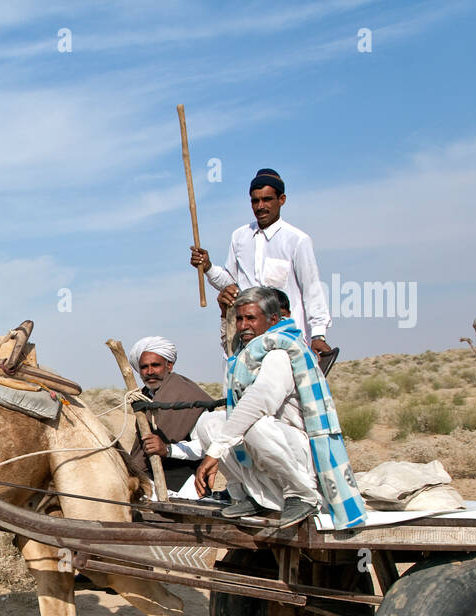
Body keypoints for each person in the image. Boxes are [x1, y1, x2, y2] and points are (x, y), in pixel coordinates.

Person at [193, 287, 366, 529]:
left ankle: (303, 495)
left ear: (273, 320)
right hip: (270, 446)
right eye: (240, 318)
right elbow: (229, 345)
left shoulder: (279, 355)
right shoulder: (248, 354)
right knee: (208, 423)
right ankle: (252, 494)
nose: (243, 325)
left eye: (250, 318)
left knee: (253, 425)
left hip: (296, 452)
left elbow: (260, 401)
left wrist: (216, 451)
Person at [189, 168, 333, 357]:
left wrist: (318, 335)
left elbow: (312, 290)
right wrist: (207, 267)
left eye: (267, 200)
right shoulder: (240, 237)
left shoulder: (297, 240)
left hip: (286, 340)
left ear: (281, 200)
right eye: (255, 201)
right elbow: (231, 284)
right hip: (248, 341)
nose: (260, 206)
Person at [122, 336, 215, 495]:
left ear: (169, 365)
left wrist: (167, 449)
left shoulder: (188, 396)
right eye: (144, 367)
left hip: (184, 484)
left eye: (155, 365)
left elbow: (206, 446)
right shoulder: (144, 397)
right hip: (150, 476)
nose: (150, 372)